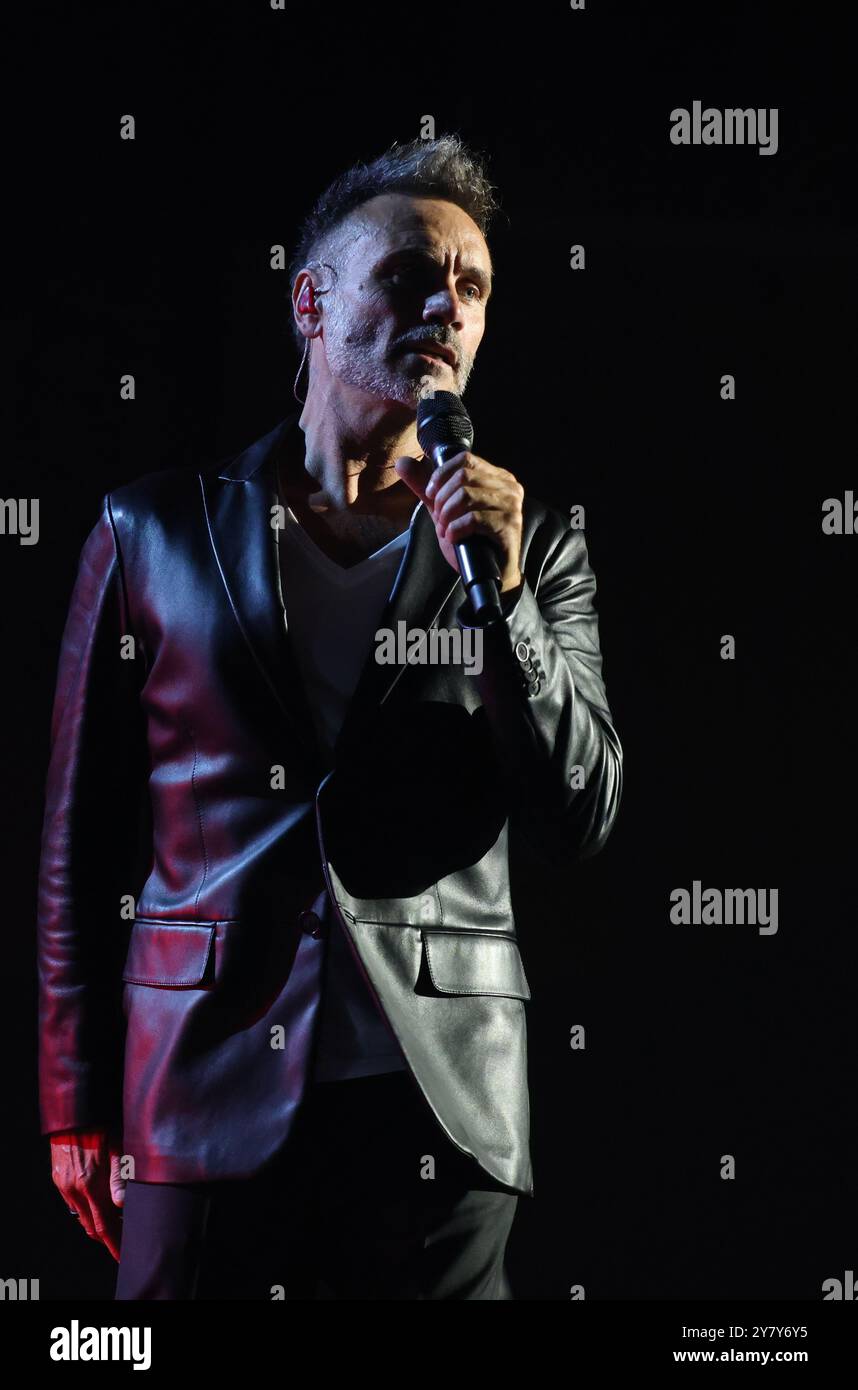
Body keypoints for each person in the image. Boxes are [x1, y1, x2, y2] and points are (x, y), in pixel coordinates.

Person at [38, 134, 623, 1299]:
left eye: (472, 287)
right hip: (199, 1088)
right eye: (411, 275)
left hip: (441, 1107)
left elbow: (582, 810)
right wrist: (73, 1095)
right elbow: (78, 837)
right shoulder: (152, 532)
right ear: (311, 300)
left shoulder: (536, 546)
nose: (447, 308)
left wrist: (499, 598)